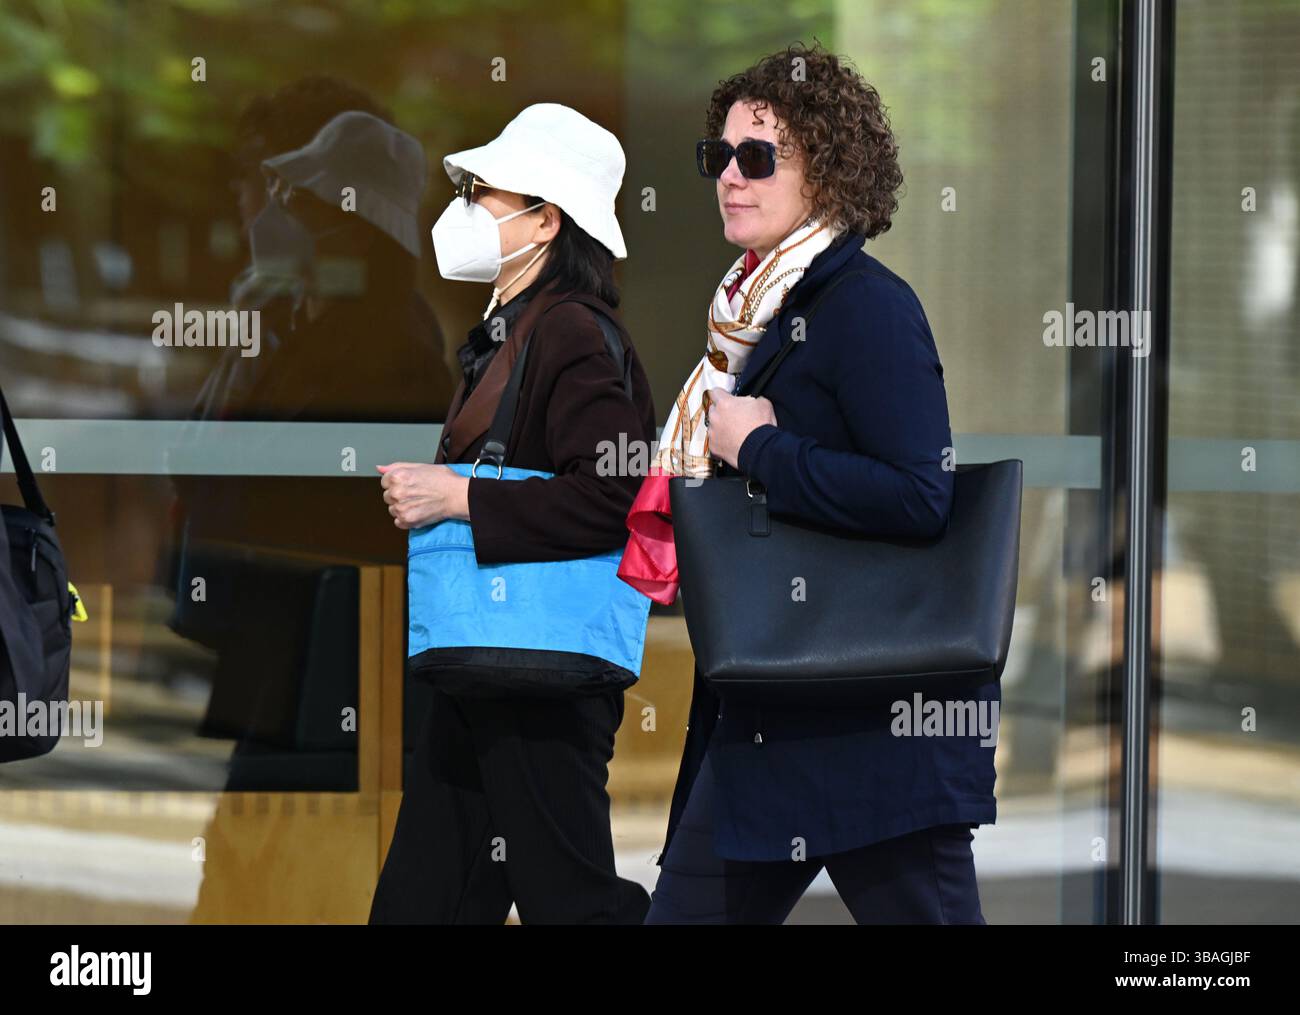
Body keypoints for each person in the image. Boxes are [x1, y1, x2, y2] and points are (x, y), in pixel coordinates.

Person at [621, 43, 996, 924]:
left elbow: (919, 493)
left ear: (827, 172)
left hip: (873, 727)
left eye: (759, 158)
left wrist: (760, 451)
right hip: (767, 714)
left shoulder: (866, 305)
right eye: (719, 157)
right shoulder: (749, 316)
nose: (730, 178)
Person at [368, 103, 656, 924]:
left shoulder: (569, 330)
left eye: (482, 190)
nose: (462, 206)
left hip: (538, 679)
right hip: (487, 664)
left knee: (572, 903)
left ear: (545, 217)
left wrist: (458, 495)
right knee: (427, 902)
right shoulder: (517, 330)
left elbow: (612, 493)